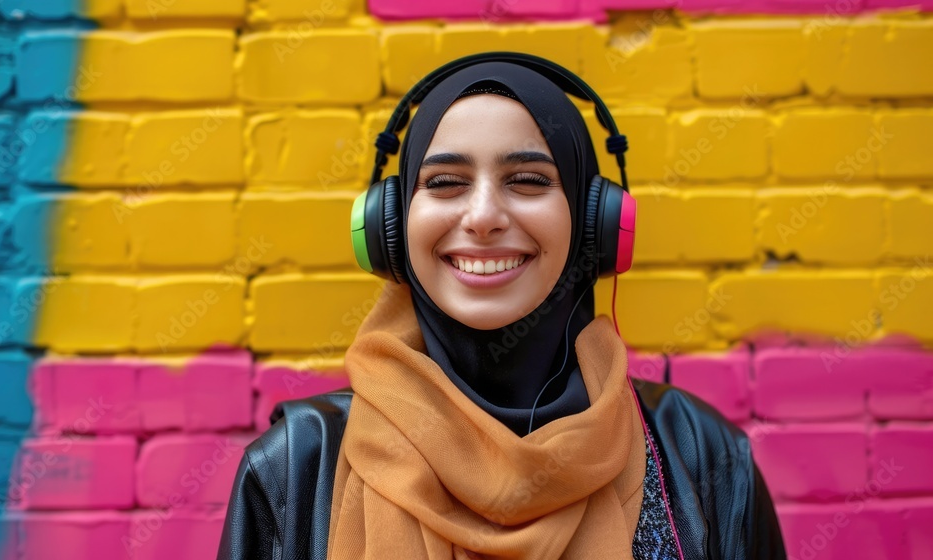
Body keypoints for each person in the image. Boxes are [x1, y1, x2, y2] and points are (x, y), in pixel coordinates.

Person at [217, 52, 786, 560]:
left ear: (594, 226)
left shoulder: (703, 458)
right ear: (390, 228)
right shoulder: (295, 469)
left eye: (528, 180)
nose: (484, 215)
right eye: (445, 183)